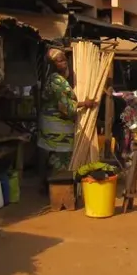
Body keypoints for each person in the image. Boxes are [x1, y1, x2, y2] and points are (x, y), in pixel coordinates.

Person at [38, 47, 98, 178]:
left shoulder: (59, 79)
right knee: (59, 162)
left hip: (55, 127)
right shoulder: (56, 80)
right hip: (56, 129)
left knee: (57, 160)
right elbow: (65, 106)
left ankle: (53, 184)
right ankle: (56, 185)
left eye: (64, 60)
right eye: (59, 61)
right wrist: (85, 103)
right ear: (52, 64)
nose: (63, 63)